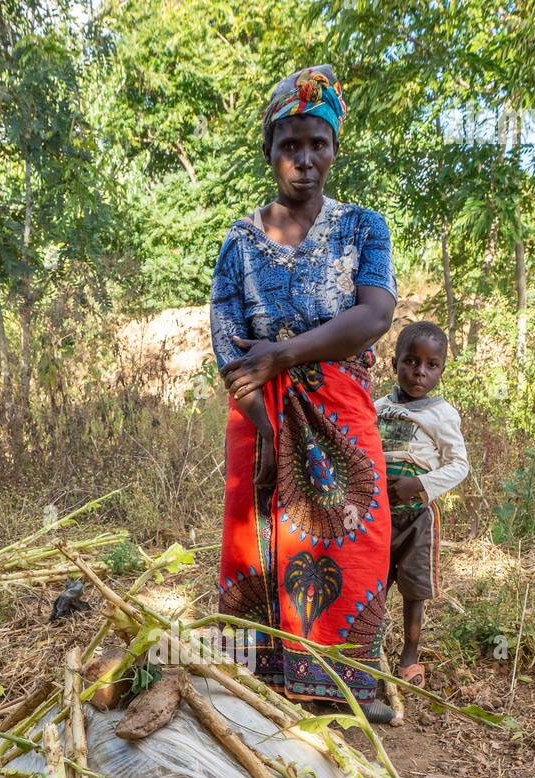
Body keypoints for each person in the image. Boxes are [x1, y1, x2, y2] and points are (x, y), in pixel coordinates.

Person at [210, 65, 397, 722]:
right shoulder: (240, 240)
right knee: (260, 537)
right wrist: (265, 427)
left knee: (352, 534)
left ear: (335, 149)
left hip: (337, 407)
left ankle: (347, 685)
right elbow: (229, 340)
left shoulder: (363, 229)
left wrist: (285, 354)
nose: (305, 160)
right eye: (290, 145)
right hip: (258, 406)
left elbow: (374, 316)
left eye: (318, 143)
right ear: (270, 152)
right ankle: (263, 684)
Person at [375, 321, 469, 687]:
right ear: (394, 363)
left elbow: (459, 465)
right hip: (378, 515)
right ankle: (368, 647)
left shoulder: (441, 414)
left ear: (442, 370)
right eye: (411, 362)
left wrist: (418, 484)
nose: (420, 372)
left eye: (432, 365)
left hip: (417, 518)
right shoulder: (377, 407)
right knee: (373, 582)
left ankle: (410, 654)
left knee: (414, 590)